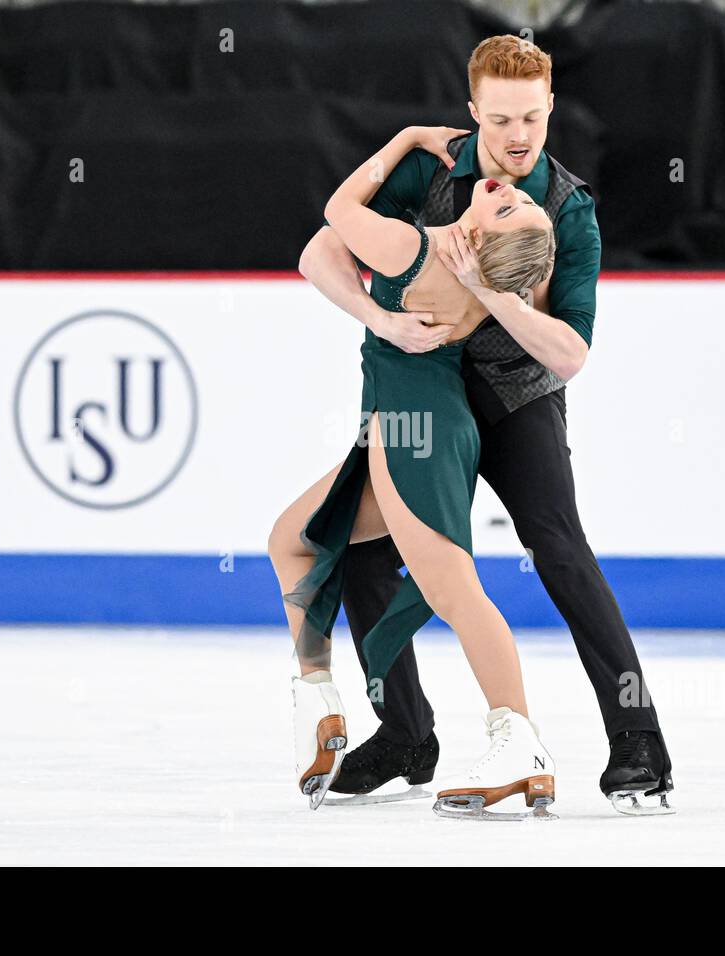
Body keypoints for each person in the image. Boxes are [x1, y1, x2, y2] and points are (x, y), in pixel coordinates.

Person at [297, 34, 674, 816]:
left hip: (516, 394)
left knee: (559, 547)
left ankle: (638, 742)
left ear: (550, 111)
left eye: (531, 118)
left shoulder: (567, 210)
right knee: (367, 553)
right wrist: (378, 316)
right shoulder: (432, 168)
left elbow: (569, 354)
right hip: (425, 387)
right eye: (500, 119)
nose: (516, 137)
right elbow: (326, 245)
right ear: (473, 114)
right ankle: (405, 733)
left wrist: (492, 294)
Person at [269, 123, 559, 819]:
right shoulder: (471, 271)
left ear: (485, 240)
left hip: (415, 431)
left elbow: (337, 213)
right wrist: (379, 315)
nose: (508, 190)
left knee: (455, 593)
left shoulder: (413, 246)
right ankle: (320, 700)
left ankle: (520, 743)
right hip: (412, 424)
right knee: (293, 539)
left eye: (513, 207)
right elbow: (320, 254)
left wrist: (401, 142)